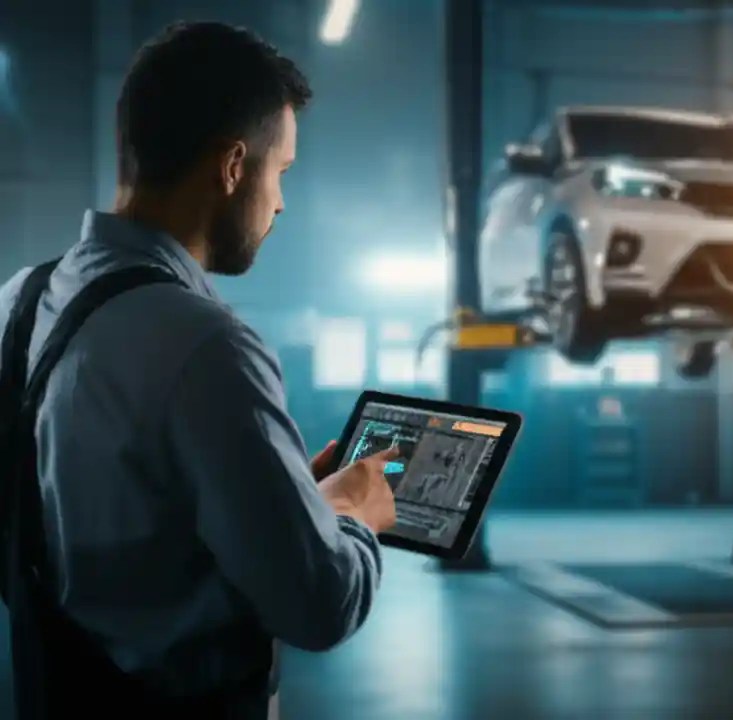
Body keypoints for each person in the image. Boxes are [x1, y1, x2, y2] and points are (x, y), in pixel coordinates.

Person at [0, 21, 397, 718]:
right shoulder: (209, 347)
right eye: (281, 174)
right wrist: (350, 514)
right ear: (233, 165)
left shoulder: (17, 301)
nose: (279, 203)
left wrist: (276, 502)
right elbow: (317, 605)